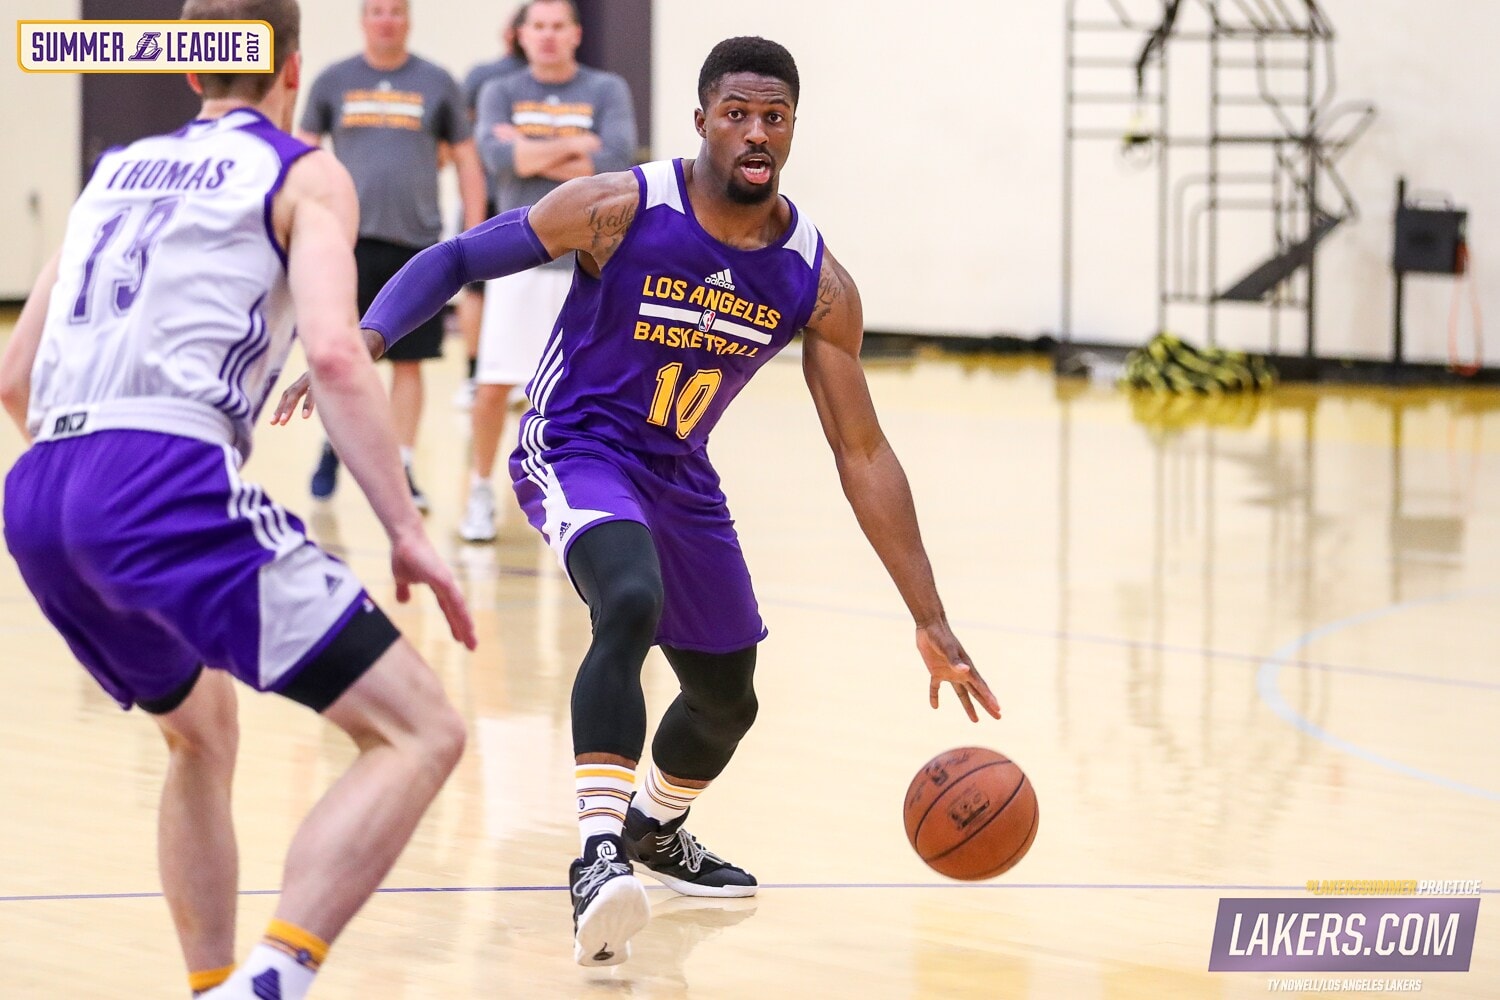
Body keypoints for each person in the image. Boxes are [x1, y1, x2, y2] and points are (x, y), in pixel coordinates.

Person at [277, 35, 999, 968]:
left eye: (773, 117)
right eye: (736, 112)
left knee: (726, 697)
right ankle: (595, 856)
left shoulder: (816, 279)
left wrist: (930, 617)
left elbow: (862, 452)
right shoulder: (619, 207)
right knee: (627, 598)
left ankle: (657, 827)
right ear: (701, 119)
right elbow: (459, 257)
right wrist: (369, 337)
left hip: (678, 469)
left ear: (791, 132)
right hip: (575, 443)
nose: (754, 132)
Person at [0, 2, 476, 998]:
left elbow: (14, 376)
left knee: (201, 731)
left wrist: (89, 502)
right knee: (421, 729)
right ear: (292, 69)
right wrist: (404, 529)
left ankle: (214, 980)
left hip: (41, 490)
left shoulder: (111, 172)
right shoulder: (304, 171)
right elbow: (338, 354)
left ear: (191, 73)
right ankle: (275, 977)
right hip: (161, 481)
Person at [297, 0, 487, 511]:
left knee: (408, 363)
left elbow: (467, 159)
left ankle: (401, 464)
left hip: (417, 246)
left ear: (408, 20)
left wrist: (474, 232)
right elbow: (303, 150)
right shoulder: (333, 80)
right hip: (345, 243)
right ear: (364, 20)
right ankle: (331, 445)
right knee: (343, 357)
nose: (387, 19)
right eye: (377, 11)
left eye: (396, 11)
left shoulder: (436, 81)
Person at [459, 0, 637, 542]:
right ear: (522, 34)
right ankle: (480, 493)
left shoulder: (607, 89)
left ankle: (578, 501)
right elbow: (497, 160)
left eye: (559, 26)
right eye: (539, 26)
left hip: (590, 265)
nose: (549, 35)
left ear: (576, 34)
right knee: (494, 387)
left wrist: (532, 149)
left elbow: (617, 161)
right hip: (521, 264)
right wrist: (576, 146)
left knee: (581, 395)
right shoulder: (499, 90)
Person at [451, 4, 529, 410]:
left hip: (530, 190)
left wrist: (521, 142)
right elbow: (470, 139)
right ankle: (474, 371)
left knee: (527, 279)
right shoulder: (485, 76)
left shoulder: (557, 80)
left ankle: (522, 372)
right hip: (486, 189)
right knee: (477, 283)